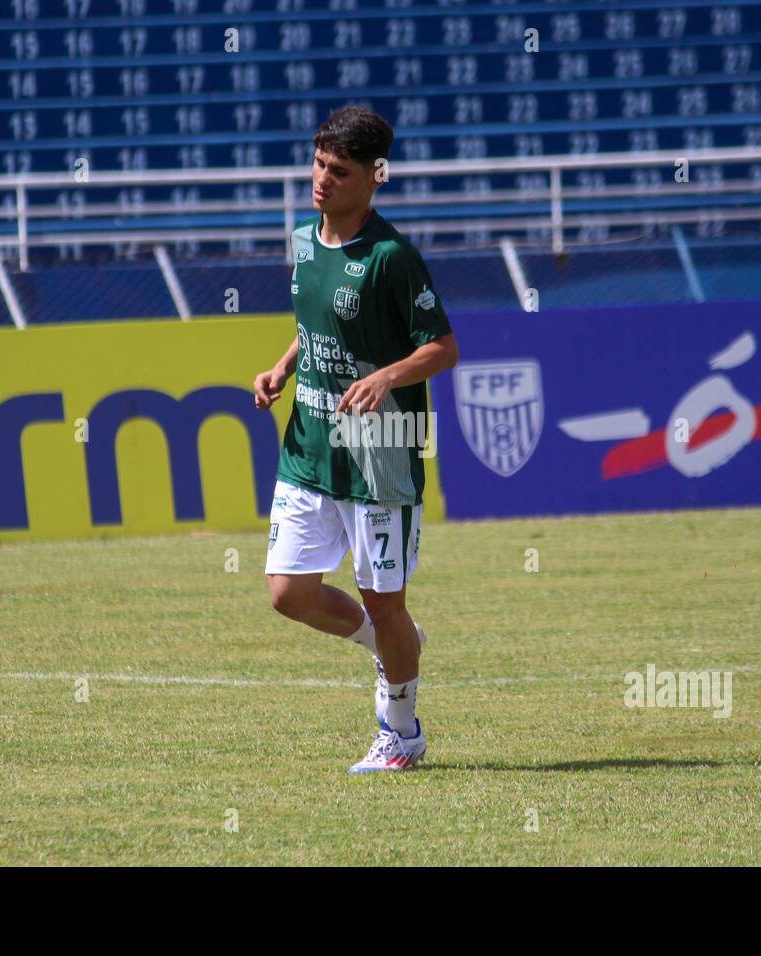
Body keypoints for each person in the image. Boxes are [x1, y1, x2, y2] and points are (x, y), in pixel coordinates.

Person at [253, 106, 459, 773]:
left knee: (383, 596)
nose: (321, 180)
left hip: (380, 451)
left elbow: (443, 347)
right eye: (317, 164)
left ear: (374, 178)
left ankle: (402, 729)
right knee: (288, 592)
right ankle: (389, 642)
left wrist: (388, 378)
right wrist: (283, 367)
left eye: (338, 171)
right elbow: (315, 323)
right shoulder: (304, 240)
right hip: (311, 443)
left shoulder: (393, 257)